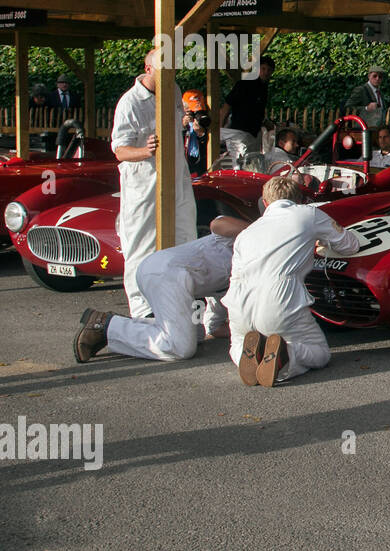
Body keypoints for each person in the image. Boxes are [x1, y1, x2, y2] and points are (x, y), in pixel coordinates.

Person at [223, 175, 362, 386]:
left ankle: (252, 353)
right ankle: (286, 354)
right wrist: (320, 245)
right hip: (279, 298)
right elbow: (350, 245)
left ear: (265, 202)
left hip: (239, 302)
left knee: (237, 345)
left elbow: (235, 275)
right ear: (298, 200)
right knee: (320, 353)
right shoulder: (308, 214)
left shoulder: (247, 233)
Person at [73, 217, 249, 363]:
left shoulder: (246, 276)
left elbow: (214, 327)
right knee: (181, 348)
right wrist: (257, 229)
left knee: (196, 335)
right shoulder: (247, 236)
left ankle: (114, 325)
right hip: (167, 271)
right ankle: (106, 326)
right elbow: (218, 224)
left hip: (171, 277)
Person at [111, 48, 198, 319]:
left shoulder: (173, 90)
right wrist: (145, 151)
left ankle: (180, 302)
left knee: (185, 237)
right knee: (141, 245)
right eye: (163, 69)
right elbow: (119, 150)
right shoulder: (130, 102)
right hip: (144, 185)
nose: (169, 75)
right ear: (148, 69)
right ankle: (141, 311)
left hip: (177, 179)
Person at [219, 54, 274, 161]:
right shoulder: (244, 84)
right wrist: (219, 129)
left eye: (269, 70)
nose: (266, 72)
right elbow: (227, 106)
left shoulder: (263, 88)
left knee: (252, 163)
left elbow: (256, 111)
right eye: (263, 68)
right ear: (257, 69)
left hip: (253, 134)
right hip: (238, 133)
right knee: (239, 164)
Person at [181, 90, 210, 176]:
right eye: (192, 111)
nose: (195, 114)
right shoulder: (177, 118)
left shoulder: (204, 118)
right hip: (184, 162)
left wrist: (201, 134)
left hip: (201, 164)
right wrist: (183, 126)